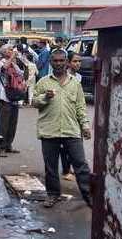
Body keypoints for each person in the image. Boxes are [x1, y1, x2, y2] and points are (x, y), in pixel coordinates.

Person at [32, 49, 92, 207]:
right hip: (49, 131)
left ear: (66, 62)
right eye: (55, 61)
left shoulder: (75, 83)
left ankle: (89, 195)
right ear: (51, 62)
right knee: (51, 166)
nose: (58, 64)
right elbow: (34, 102)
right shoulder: (43, 82)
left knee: (80, 164)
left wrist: (85, 126)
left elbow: (81, 107)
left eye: (61, 61)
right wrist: (45, 97)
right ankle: (53, 195)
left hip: (71, 130)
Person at [0, 45, 27, 154]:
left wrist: (22, 60)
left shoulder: (14, 64)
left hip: (14, 96)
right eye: (9, 50)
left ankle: (8, 144)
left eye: (12, 50)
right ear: (3, 52)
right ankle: (1, 148)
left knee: (12, 123)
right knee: (3, 124)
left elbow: (22, 74)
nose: (12, 51)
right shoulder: (0, 62)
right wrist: (12, 57)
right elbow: (3, 69)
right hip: (3, 97)